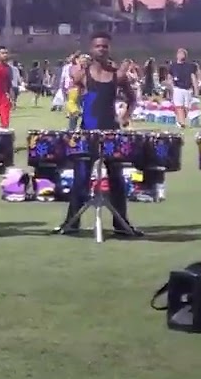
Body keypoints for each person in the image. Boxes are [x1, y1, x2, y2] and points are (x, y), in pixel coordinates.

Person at [55, 32, 143, 237]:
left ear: (109, 49)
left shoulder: (117, 75)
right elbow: (70, 87)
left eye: (105, 46)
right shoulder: (83, 74)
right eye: (98, 46)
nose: (101, 49)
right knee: (81, 179)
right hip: (88, 132)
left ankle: (122, 225)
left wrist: (125, 117)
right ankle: (71, 223)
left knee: (117, 180)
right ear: (91, 49)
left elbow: (132, 98)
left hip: (111, 132)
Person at [168, 47, 199, 128]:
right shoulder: (173, 66)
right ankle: (182, 123)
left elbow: (193, 77)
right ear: (177, 55)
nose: (182, 55)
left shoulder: (190, 66)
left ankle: (180, 121)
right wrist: (171, 87)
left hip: (188, 89)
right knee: (179, 107)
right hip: (178, 88)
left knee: (186, 108)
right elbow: (169, 77)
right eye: (180, 53)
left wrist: (196, 89)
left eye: (183, 54)